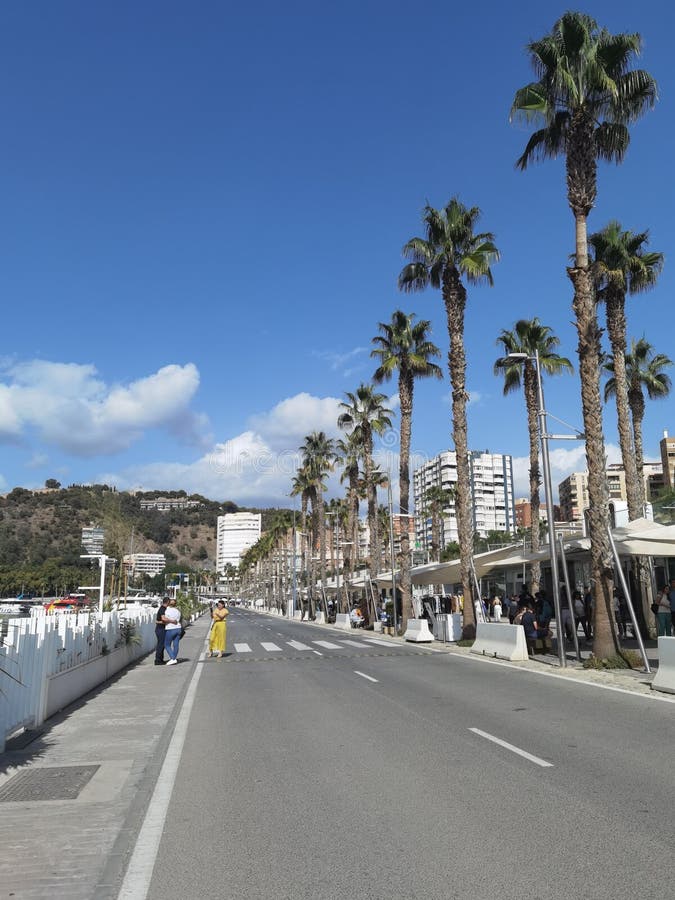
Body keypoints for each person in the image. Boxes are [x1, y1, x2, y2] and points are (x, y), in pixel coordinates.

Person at [162, 598, 182, 666]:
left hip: (170, 629)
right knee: (176, 644)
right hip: (178, 628)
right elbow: (179, 620)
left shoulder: (167, 610)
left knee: (167, 645)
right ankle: (174, 658)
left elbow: (165, 619)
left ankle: (173, 658)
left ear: (169, 603)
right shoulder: (178, 611)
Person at [154, 597, 168, 665]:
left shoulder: (164, 608)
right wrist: (170, 622)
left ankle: (161, 659)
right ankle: (158, 660)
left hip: (161, 629)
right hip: (160, 629)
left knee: (162, 645)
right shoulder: (162, 609)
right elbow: (163, 619)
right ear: (167, 602)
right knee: (160, 645)